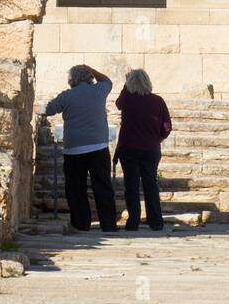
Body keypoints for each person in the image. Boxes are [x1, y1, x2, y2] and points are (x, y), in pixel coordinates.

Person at [44, 64, 118, 233]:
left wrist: (31, 109)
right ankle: (108, 224)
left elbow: (47, 110)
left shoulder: (67, 96)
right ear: (89, 77)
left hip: (74, 149)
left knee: (76, 188)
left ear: (72, 79)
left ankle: (81, 223)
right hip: (98, 147)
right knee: (103, 186)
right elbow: (107, 80)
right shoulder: (99, 91)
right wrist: (93, 69)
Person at [115, 68, 172, 232]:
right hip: (151, 149)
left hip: (129, 148)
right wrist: (156, 139)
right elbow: (167, 127)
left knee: (131, 185)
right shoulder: (158, 101)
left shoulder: (127, 100)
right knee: (151, 184)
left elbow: (118, 104)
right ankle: (156, 222)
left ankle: (133, 222)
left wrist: (126, 84)